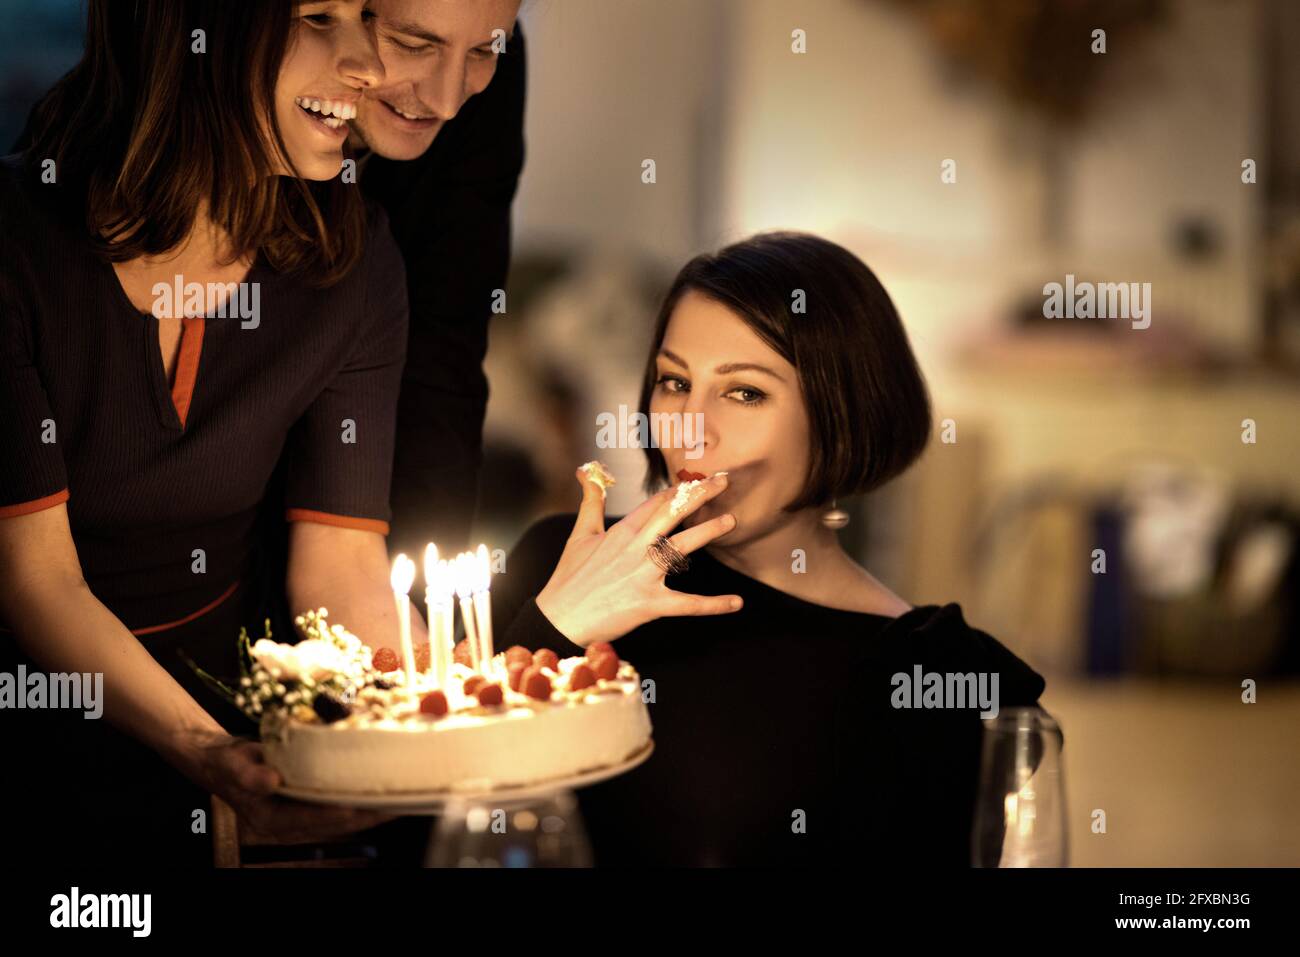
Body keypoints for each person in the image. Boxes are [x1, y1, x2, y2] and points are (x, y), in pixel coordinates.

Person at [487, 231, 1052, 865]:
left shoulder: (932, 674)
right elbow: (426, 825)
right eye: (674, 383)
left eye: (745, 392)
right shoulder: (556, 559)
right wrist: (552, 628)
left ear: (842, 413)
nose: (688, 429)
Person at [0, 0, 412, 865]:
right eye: (319, 18)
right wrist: (207, 755)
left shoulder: (354, 261)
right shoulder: (17, 246)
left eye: (370, 17)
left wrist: (418, 713)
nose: (369, 64)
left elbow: (340, 562)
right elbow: (38, 584)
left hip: (234, 744)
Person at [351, 0, 526, 560]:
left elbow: (445, 348)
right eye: (413, 44)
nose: (448, 101)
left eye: (483, 51)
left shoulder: (487, 90)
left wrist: (423, 603)